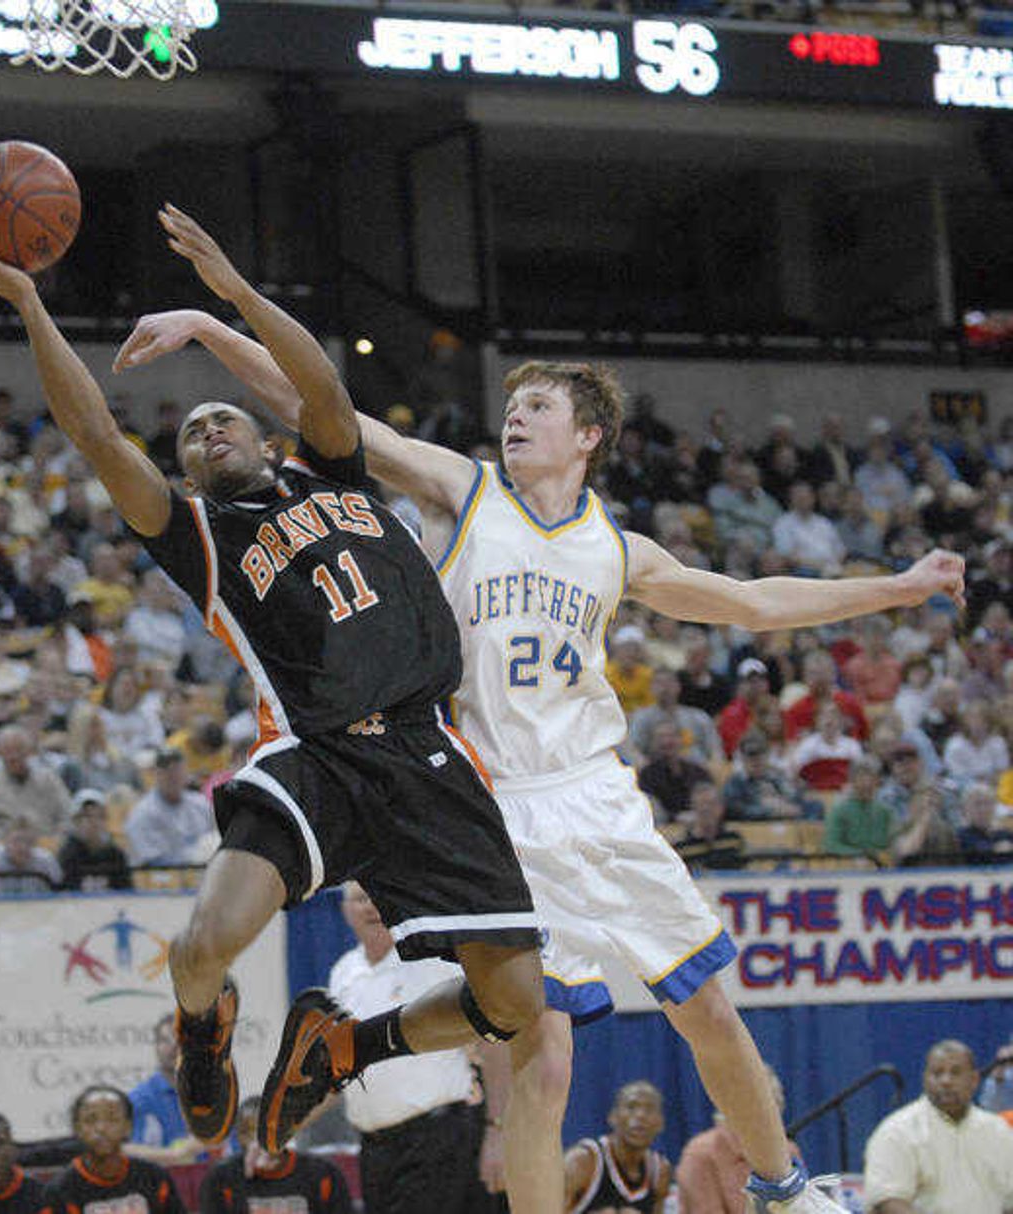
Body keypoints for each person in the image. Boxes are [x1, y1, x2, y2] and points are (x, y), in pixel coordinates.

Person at [123, 217, 967, 1214]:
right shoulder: (466, 487)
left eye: (537, 408)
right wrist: (215, 327)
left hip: (596, 793)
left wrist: (895, 588)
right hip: (482, 790)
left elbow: (751, 598)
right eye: (513, 405)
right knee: (542, 1058)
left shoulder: (620, 549)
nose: (514, 417)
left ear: (590, 434)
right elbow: (317, 398)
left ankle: (784, 1185)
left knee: (707, 1007)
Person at [0, 215, 543, 1162]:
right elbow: (94, 431)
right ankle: (201, 1026)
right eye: (188, 432)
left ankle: (345, 1045)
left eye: (221, 415)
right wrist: (28, 302)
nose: (207, 426)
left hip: (428, 749)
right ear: (185, 470)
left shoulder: (332, 467)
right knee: (201, 947)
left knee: (514, 1005)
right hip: (321, 753)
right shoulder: (200, 537)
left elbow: (321, 384)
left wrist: (231, 294)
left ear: (265, 438)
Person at [328, 881, 500, 1214]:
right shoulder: (343, 973)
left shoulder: (431, 958)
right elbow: (338, 1067)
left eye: (376, 896)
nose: (369, 906)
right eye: (359, 899)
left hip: (436, 1136)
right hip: (374, 1145)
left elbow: (492, 1041)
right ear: (345, 910)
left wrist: (497, 1129)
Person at [863, 1039, 1013, 1214]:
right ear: (925, 1079)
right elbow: (887, 1201)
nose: (946, 1081)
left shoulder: (998, 1131)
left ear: (974, 1080)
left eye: (955, 1073)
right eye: (937, 1073)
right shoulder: (896, 1131)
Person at [43, 1086, 186, 1214]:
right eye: (90, 1120)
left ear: (128, 1127)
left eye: (112, 1119)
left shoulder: (154, 1177)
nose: (101, 1128)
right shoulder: (61, 1190)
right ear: (77, 1129)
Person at [200, 1096, 351, 1214]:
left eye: (265, 1132)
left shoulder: (323, 1174)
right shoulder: (220, 1180)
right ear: (238, 1137)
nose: (258, 1141)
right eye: (248, 1133)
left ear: (283, 1131)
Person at [676, 1068, 797, 1214]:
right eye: (762, 1105)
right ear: (732, 1105)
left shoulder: (788, 1151)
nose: (772, 1116)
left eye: (776, 1103)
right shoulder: (700, 1153)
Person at [563, 1082, 671, 1214]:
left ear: (661, 1124)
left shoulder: (660, 1171)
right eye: (631, 1107)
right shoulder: (582, 1160)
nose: (640, 1116)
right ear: (612, 1117)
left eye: (649, 1109)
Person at [127, 1014, 205, 1168]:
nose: (173, 1046)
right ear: (156, 1047)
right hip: (158, 1184)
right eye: (165, 1040)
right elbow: (128, 1153)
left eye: (180, 1039)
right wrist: (177, 1154)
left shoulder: (212, 1095)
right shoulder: (139, 1099)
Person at [124, 748, 216, 867]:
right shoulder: (142, 813)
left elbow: (215, 839)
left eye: (177, 770)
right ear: (156, 775)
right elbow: (152, 861)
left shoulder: (201, 804)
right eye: (167, 771)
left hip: (202, 873)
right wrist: (195, 857)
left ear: (186, 773)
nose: (173, 776)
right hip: (162, 880)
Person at [0, 725, 71, 837]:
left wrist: (56, 839)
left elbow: (67, 814)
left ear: (29, 751)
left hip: (48, 843)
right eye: (8, 750)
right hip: (5, 847)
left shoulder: (49, 779)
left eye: (18, 749)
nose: (14, 756)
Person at [57, 790, 133, 892]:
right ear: (75, 821)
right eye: (87, 816)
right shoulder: (67, 855)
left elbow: (127, 894)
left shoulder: (115, 855)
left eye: (99, 816)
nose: (94, 822)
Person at [0, 816, 63, 893]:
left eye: (28, 842)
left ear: (35, 844)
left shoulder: (46, 863)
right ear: (5, 842)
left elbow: (59, 894)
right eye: (17, 841)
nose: (23, 847)